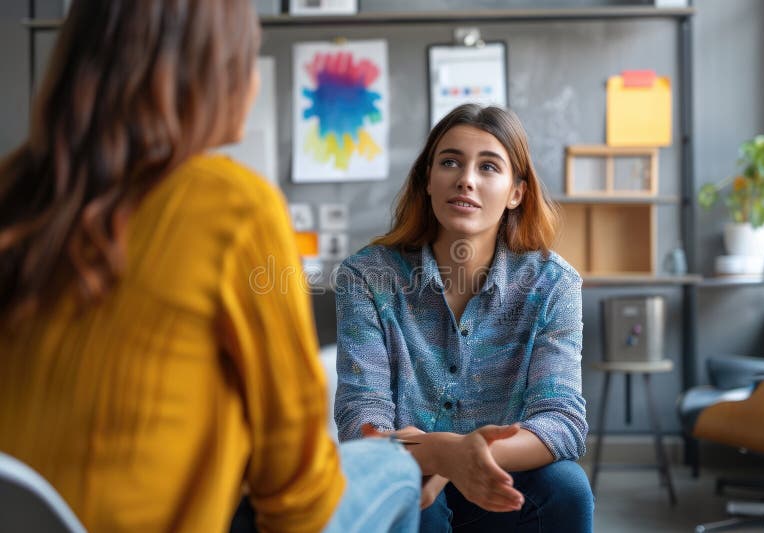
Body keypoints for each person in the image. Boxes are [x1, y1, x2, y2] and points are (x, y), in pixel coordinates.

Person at [0, 1, 423, 532]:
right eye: (249, 56)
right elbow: (298, 498)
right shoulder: (234, 207)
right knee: (395, 465)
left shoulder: (14, 192)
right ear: (216, 70)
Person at [334, 103, 594, 532]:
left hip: (504, 481)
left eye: (488, 166)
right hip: (409, 472)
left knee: (567, 487)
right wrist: (436, 455)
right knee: (412, 493)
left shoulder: (553, 284)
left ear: (516, 193)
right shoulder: (367, 277)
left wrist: (462, 458)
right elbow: (362, 421)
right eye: (450, 162)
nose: (466, 179)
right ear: (428, 181)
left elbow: (562, 421)